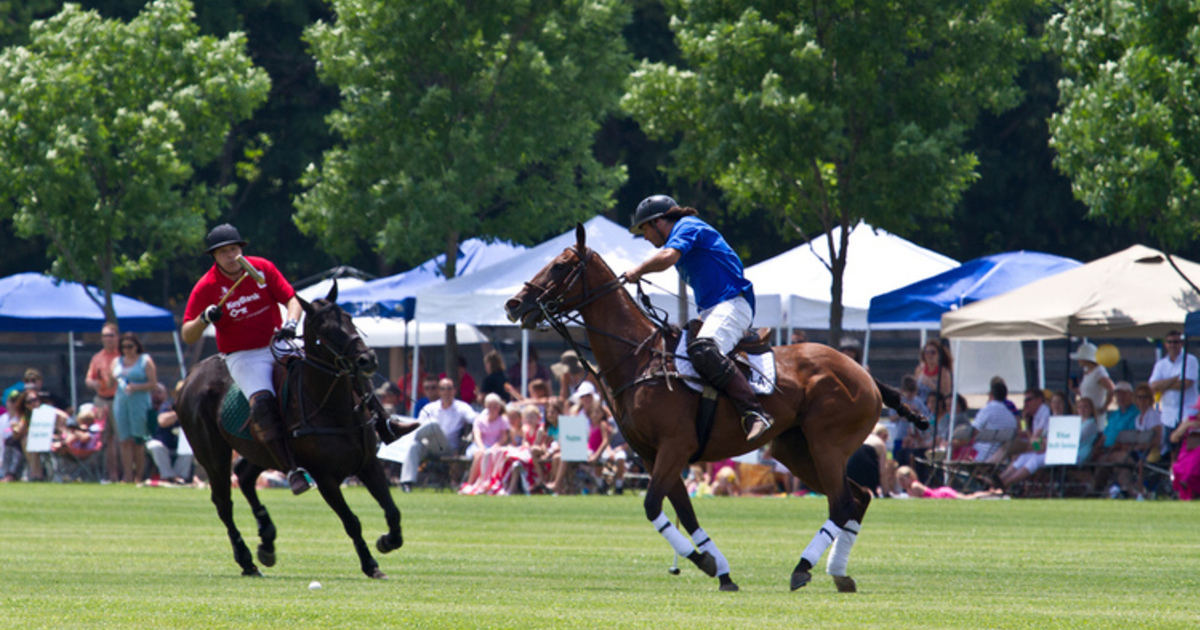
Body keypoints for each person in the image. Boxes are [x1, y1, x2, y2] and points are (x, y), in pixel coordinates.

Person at [622, 195, 771, 440]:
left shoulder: (687, 226)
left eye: (645, 228)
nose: (645, 237)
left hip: (733, 303)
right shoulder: (681, 232)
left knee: (703, 349)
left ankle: (755, 413)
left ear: (659, 221)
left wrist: (638, 270)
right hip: (712, 310)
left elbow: (668, 258)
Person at [181, 223, 314, 494]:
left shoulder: (261, 268)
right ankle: (292, 469)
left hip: (277, 342)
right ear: (214, 257)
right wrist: (205, 318)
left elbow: (292, 299)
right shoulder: (207, 286)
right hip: (243, 356)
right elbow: (187, 334)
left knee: (324, 373)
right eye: (224, 252)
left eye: (234, 249)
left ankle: (380, 425)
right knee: (263, 403)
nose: (231, 256)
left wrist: (291, 323)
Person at [396, 378, 476, 492]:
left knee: (433, 424)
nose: (446, 392)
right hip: (429, 445)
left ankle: (406, 438)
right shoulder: (430, 408)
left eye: (449, 388)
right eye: (443, 389)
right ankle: (406, 483)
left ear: (454, 390)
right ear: (439, 391)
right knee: (414, 446)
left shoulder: (461, 407)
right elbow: (419, 425)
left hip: (448, 447)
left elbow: (475, 419)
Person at [110, 332, 156, 484]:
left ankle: (139, 476)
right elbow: (111, 380)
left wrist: (136, 387)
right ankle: (127, 476)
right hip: (121, 402)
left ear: (137, 346)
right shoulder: (117, 361)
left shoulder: (145, 360)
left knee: (138, 440)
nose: (126, 350)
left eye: (130, 346)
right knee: (124, 440)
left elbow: (153, 384)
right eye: (123, 347)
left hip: (140, 402)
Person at [1150, 330, 1199, 454]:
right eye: (1170, 342)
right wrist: (1173, 379)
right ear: (1165, 344)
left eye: (1176, 342)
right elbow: (1153, 386)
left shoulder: (1190, 360)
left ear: (1181, 343)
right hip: (1168, 415)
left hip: (1187, 413)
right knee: (1171, 451)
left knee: (1187, 450)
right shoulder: (1161, 364)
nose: (1173, 345)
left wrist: (1163, 384)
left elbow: (1186, 384)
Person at [85, 322, 122, 483]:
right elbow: (89, 378)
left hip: (119, 399)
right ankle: (110, 473)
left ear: (117, 337)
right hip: (102, 400)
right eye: (105, 336)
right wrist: (93, 384)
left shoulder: (122, 355)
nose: (108, 339)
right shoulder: (97, 357)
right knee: (105, 438)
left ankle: (125, 473)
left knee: (122, 438)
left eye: (111, 335)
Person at [996, 388, 1052, 491]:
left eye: (1028, 400)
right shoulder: (1035, 416)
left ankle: (1003, 483)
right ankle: (1000, 480)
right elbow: (1033, 439)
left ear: (1039, 400)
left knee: (1022, 453)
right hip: (1039, 447)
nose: (1026, 403)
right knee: (1021, 456)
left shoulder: (1044, 411)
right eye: (1024, 400)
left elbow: (1035, 439)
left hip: (1045, 450)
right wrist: (1026, 422)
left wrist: (1030, 442)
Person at [459, 394, 511, 493]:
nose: (493, 409)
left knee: (492, 454)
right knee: (480, 454)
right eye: (490, 406)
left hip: (495, 446)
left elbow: (504, 437)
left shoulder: (503, 420)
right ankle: (470, 483)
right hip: (479, 445)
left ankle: (488, 483)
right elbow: (477, 436)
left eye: (495, 406)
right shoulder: (479, 420)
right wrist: (481, 447)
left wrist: (497, 445)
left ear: (499, 407)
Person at [146, 381, 193, 486]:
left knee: (189, 446)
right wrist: (179, 412)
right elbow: (162, 421)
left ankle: (180, 477)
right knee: (155, 446)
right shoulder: (167, 406)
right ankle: (169, 476)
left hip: (181, 446)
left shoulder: (193, 409)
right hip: (164, 445)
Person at [960, 378, 1018, 463]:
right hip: (1001, 459)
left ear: (991, 395)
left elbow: (972, 431)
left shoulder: (986, 411)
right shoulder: (1011, 417)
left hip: (980, 456)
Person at [1070, 341, 1115, 430]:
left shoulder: (1099, 372)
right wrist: (1074, 389)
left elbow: (1111, 389)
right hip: (1086, 415)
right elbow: (1086, 393)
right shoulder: (1087, 372)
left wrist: (1104, 407)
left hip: (1096, 415)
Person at [896, 465, 1003, 499]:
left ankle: (989, 494)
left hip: (942, 494)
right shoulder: (911, 487)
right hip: (940, 492)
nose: (901, 483)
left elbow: (914, 501)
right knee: (967, 497)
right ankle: (989, 493)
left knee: (966, 499)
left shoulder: (914, 486)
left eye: (903, 480)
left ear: (910, 477)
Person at [845, 424, 893, 497]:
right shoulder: (879, 443)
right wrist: (886, 493)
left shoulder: (858, 437)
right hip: (868, 473)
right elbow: (882, 471)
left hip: (849, 472)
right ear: (883, 435)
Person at [1169, 402, 1200, 500]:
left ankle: (1186, 481)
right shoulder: (1189, 420)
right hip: (1186, 451)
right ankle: (1186, 485)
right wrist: (1186, 426)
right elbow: (1173, 438)